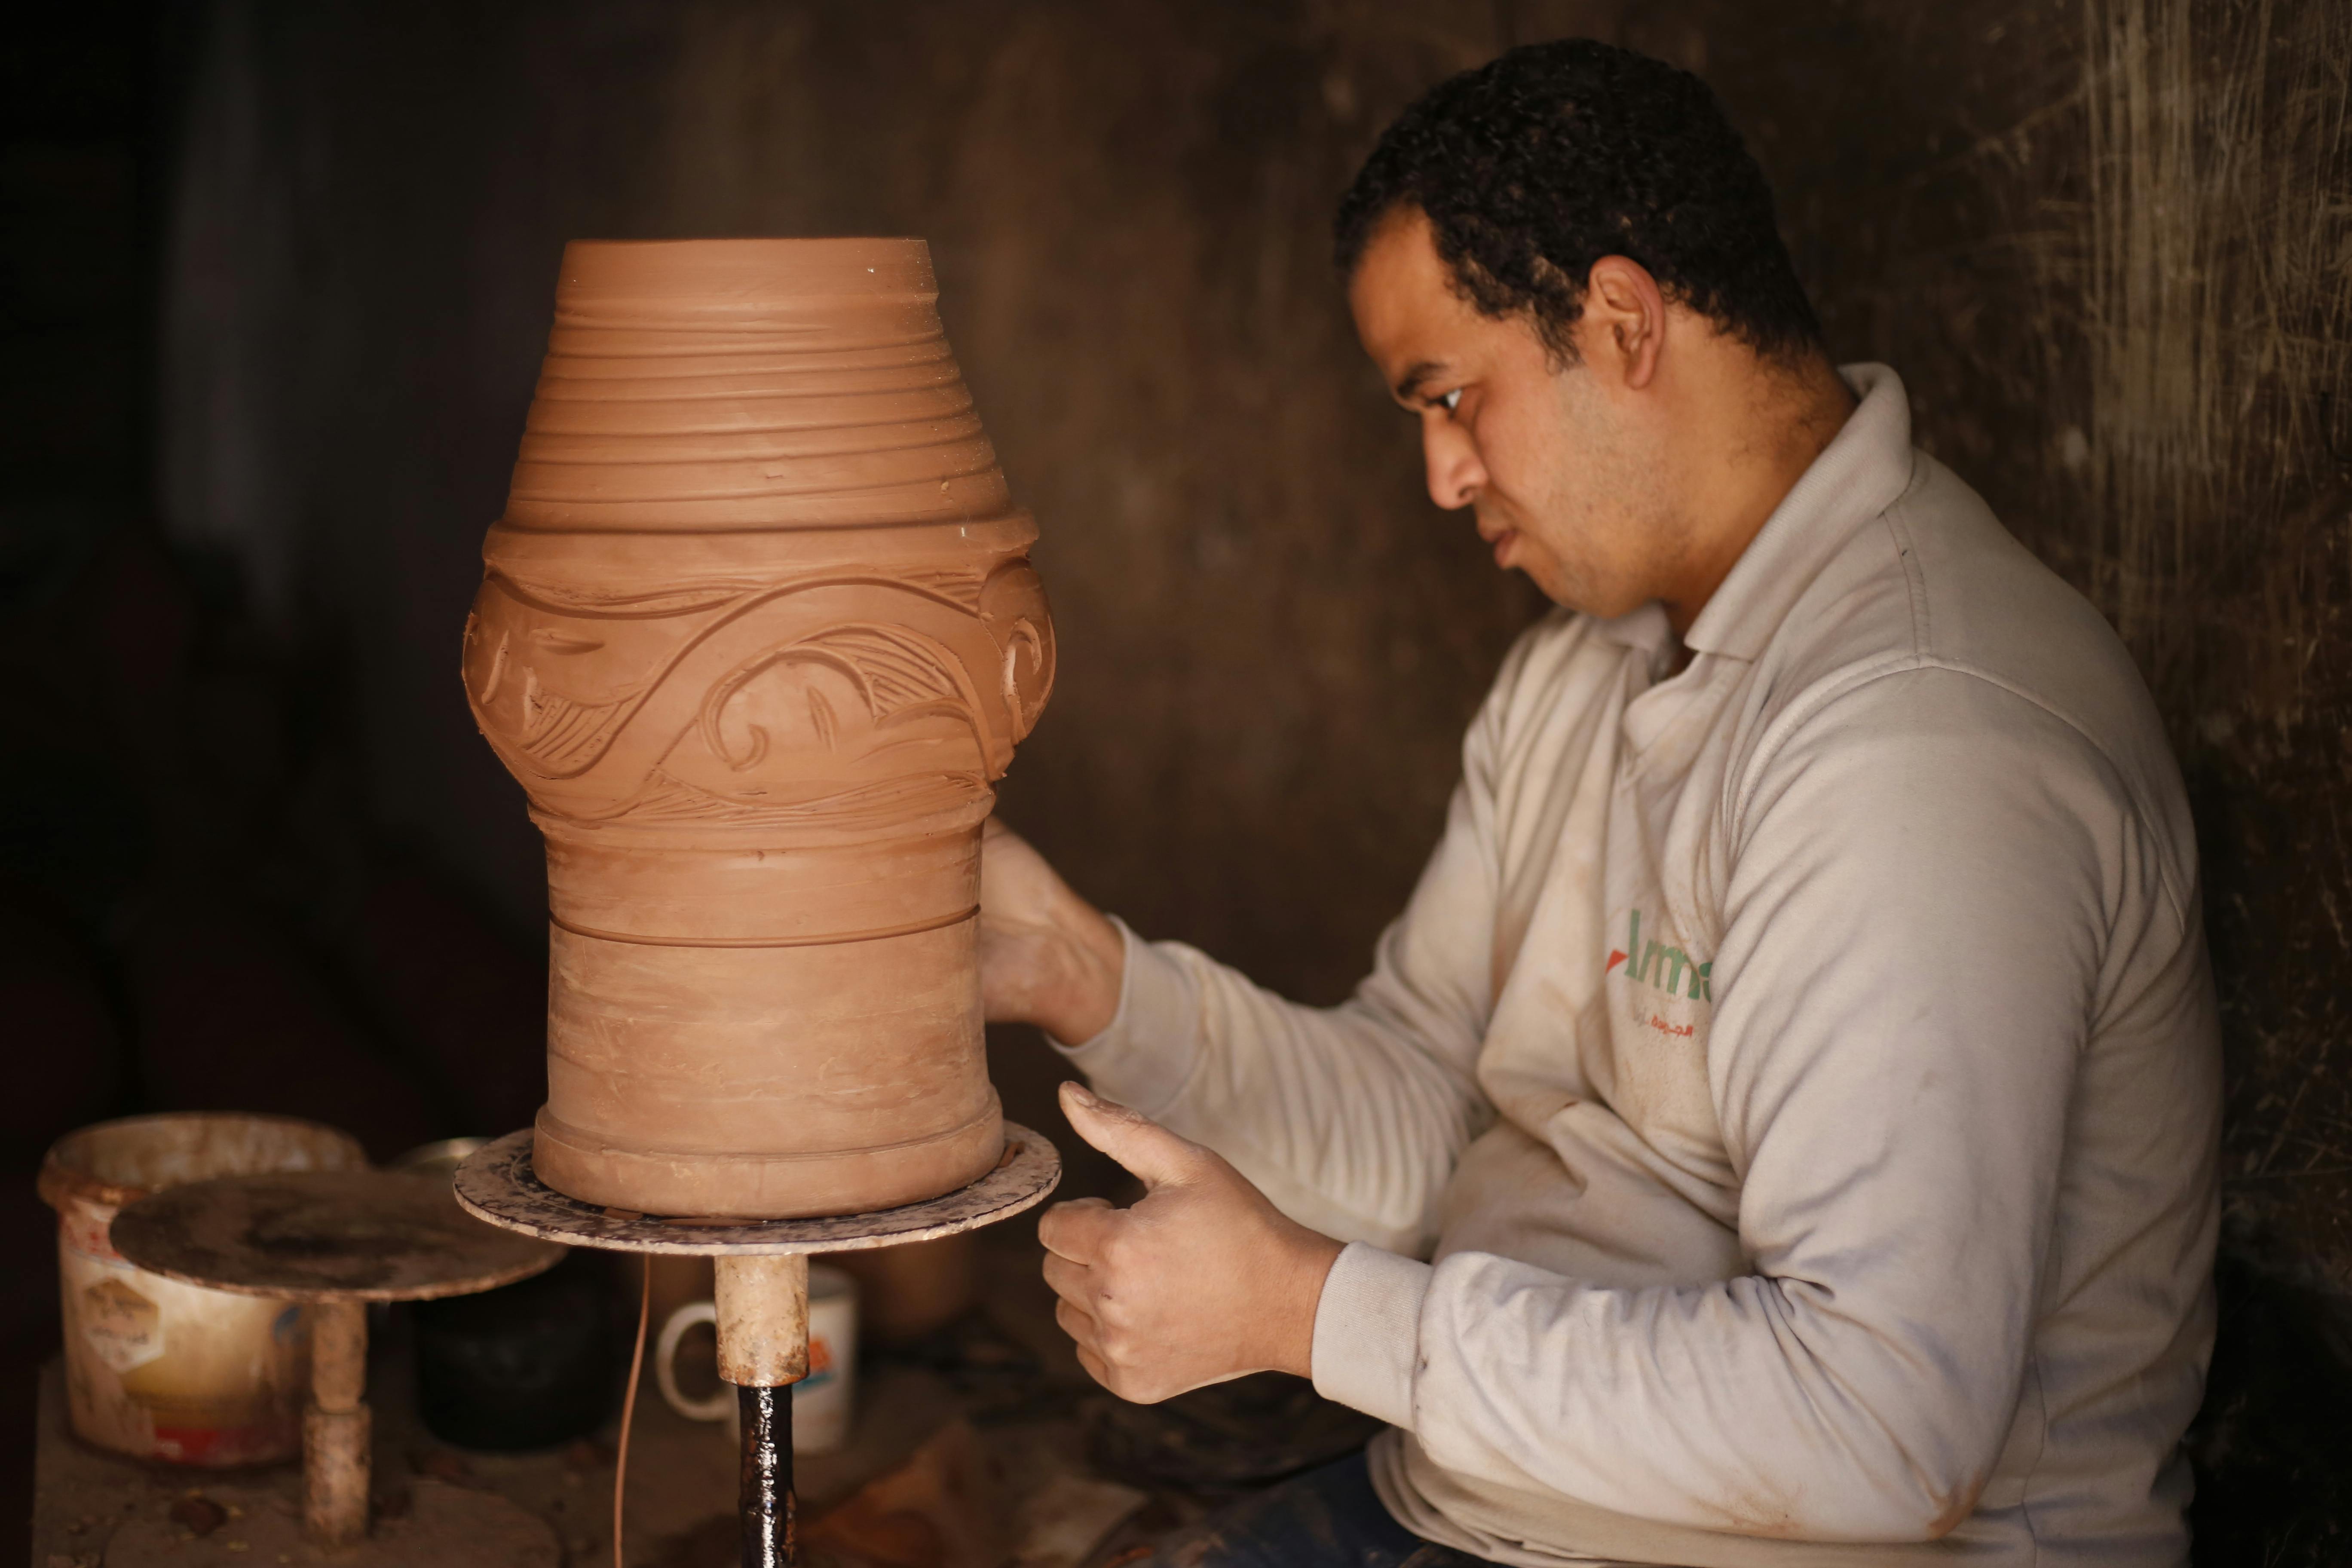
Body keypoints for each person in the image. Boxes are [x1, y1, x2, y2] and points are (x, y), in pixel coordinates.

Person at [978, 38, 2220, 1568]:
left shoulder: (1919, 738)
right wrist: (1076, 969)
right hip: (1492, 1511)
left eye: (1450, 397)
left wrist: (1307, 1312)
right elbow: (1427, 1122)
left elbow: (1883, 1426)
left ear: (1622, 323)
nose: (1439, 475)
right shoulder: (1586, 675)